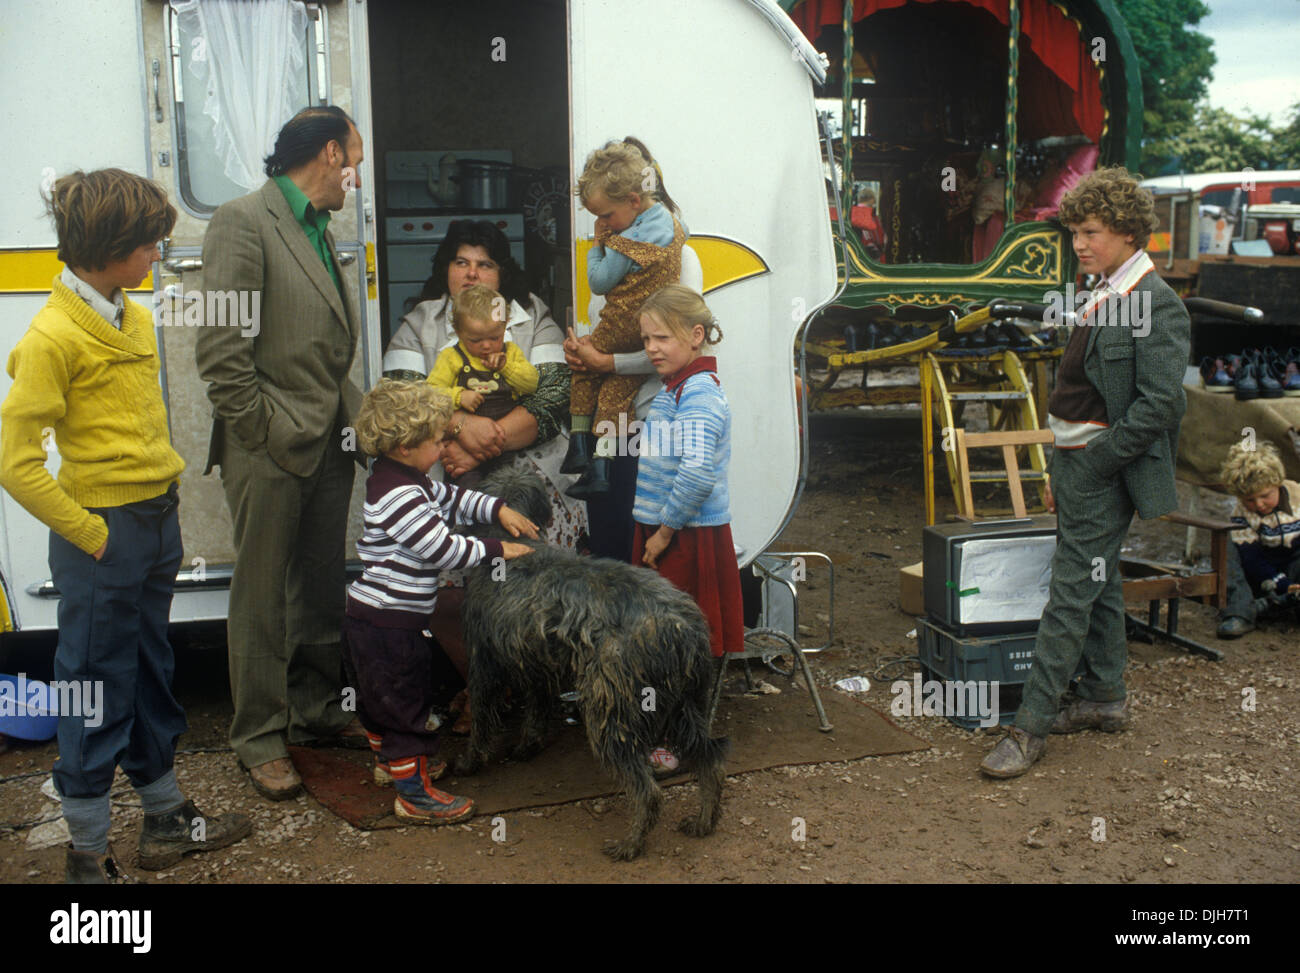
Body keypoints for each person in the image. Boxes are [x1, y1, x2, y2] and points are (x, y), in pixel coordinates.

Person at [0, 168, 251, 882]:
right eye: (147, 244)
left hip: (152, 519)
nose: (156, 255)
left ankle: (167, 817)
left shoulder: (130, 313)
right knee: (90, 683)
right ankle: (85, 854)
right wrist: (92, 535)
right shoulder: (52, 336)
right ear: (110, 245)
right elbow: (15, 463)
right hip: (103, 532)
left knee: (150, 669)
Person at [981, 167, 1190, 778]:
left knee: (1068, 594)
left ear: (1128, 232)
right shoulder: (1101, 289)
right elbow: (1079, 390)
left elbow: (1159, 406)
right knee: (1097, 580)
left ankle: (1030, 728)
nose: (1079, 243)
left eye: (1091, 231)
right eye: (1074, 232)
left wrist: (1094, 462)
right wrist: (1060, 460)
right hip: (1074, 462)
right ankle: (1105, 697)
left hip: (1102, 469)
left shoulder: (1155, 303)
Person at [196, 105, 367, 801]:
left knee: (320, 587)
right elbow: (220, 353)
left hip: (328, 441)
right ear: (327, 153)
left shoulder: (322, 228)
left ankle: (317, 710)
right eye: (352, 160)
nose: (355, 177)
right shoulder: (243, 221)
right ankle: (259, 737)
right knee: (261, 594)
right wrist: (261, 434)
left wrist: (363, 424)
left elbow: (326, 354)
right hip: (267, 446)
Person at [343, 379, 536, 823]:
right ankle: (415, 796)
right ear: (406, 446)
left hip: (371, 619)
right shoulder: (400, 495)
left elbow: (453, 498)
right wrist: (497, 548)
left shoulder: (405, 478)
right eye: (438, 440)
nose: (446, 444)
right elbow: (442, 549)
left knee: (378, 701)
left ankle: (390, 766)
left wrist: (496, 509)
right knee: (405, 705)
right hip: (389, 625)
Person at [384, 218, 585, 552]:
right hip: (444, 456)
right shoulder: (419, 322)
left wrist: (476, 448)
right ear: (446, 269)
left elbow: (552, 398)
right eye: (461, 262)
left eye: (485, 264)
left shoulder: (532, 315)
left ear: (502, 272)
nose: (471, 274)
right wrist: (463, 426)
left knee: (528, 501)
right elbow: (401, 404)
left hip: (526, 454)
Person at [631, 285, 745, 775]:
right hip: (673, 531)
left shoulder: (697, 393)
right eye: (646, 338)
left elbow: (697, 472)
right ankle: (663, 730)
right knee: (662, 642)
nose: (652, 347)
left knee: (674, 644)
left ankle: (677, 740)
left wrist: (663, 533)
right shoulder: (677, 387)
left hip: (684, 536)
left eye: (662, 337)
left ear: (696, 336)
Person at [563, 138, 687, 498]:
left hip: (622, 327)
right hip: (650, 331)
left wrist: (597, 245)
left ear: (634, 200)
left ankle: (579, 447)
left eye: (605, 216)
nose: (603, 224)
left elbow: (600, 282)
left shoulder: (627, 240)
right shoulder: (675, 228)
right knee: (614, 395)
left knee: (583, 372)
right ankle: (600, 470)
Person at [426, 284, 538, 486]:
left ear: (505, 327)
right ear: (458, 333)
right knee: (468, 495)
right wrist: (458, 396)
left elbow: (531, 384)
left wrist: (507, 367)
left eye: (495, 338)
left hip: (504, 446)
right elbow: (429, 395)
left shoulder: (510, 353)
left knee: (507, 489)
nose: (486, 345)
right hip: (462, 444)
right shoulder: (451, 357)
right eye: (476, 340)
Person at [1214, 442, 1300, 637]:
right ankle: (1240, 611)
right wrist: (1281, 584)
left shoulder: (1298, 496)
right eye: (1250, 500)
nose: (1259, 504)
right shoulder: (1241, 513)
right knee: (1227, 546)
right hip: (1261, 572)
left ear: (1277, 483)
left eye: (1265, 496)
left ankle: (1289, 602)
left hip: (1294, 564)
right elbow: (1252, 560)